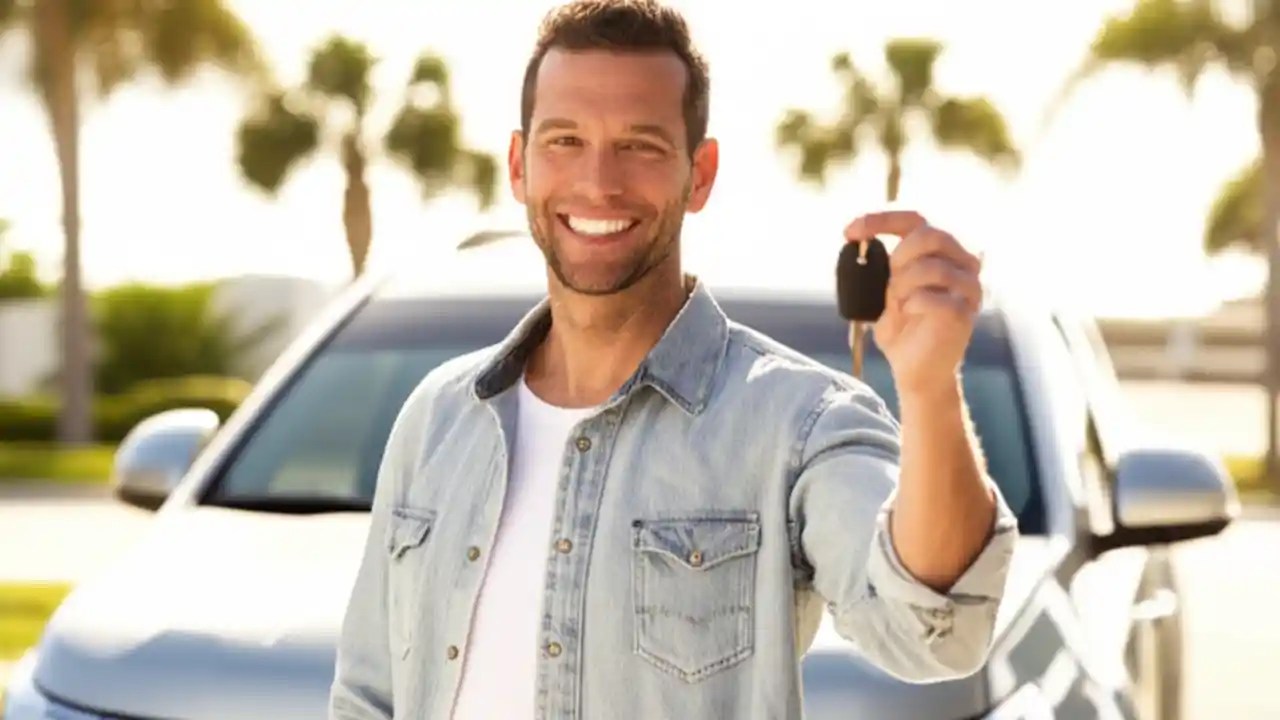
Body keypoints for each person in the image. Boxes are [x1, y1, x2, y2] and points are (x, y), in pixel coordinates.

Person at [328, 1, 1018, 718]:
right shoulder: (440, 418)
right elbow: (367, 696)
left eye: (641, 146)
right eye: (564, 140)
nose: (599, 182)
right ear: (518, 164)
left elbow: (933, 629)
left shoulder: (799, 424)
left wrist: (930, 385)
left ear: (701, 173)